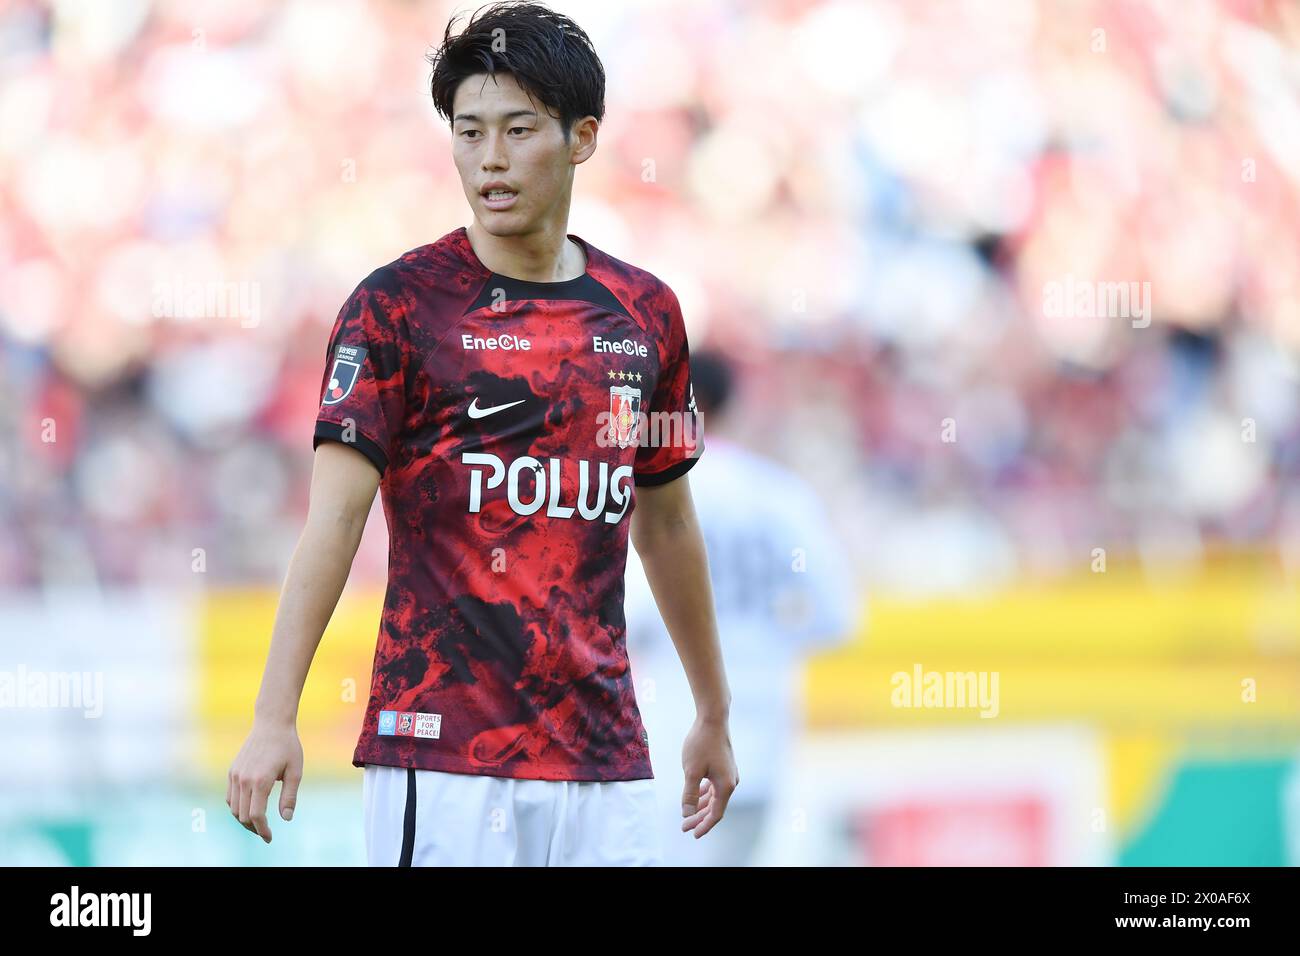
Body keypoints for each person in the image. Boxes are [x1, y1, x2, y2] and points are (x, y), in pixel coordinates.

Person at [226, 1, 737, 866]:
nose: (490, 159)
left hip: (603, 756)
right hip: (443, 750)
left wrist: (712, 713)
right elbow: (335, 522)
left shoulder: (647, 314)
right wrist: (274, 716)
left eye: (517, 129)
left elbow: (669, 522)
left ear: (582, 138)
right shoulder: (393, 308)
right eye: (469, 132)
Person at [626, 350, 858, 865]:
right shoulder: (778, 494)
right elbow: (837, 615)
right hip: (764, 729)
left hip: (675, 730)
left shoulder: (658, 496)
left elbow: (630, 619)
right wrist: (763, 632)